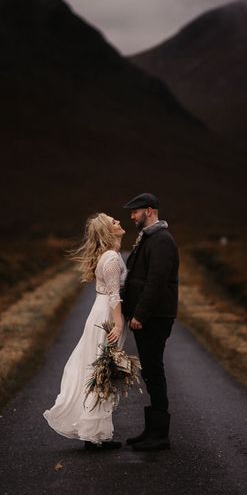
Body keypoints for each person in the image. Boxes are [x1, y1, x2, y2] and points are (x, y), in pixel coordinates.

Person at [43, 213, 127, 450]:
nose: (119, 222)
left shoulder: (110, 255)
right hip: (106, 317)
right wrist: (119, 324)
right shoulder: (110, 258)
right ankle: (92, 432)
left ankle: (95, 434)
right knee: (102, 370)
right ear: (107, 232)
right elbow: (114, 295)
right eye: (113, 222)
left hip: (100, 312)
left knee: (101, 370)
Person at [121, 193, 179, 451]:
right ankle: (151, 432)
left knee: (154, 370)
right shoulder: (150, 238)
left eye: (135, 212)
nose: (132, 216)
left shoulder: (162, 241)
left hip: (155, 318)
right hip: (149, 317)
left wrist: (140, 315)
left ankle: (160, 436)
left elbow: (156, 283)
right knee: (150, 370)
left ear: (150, 210)